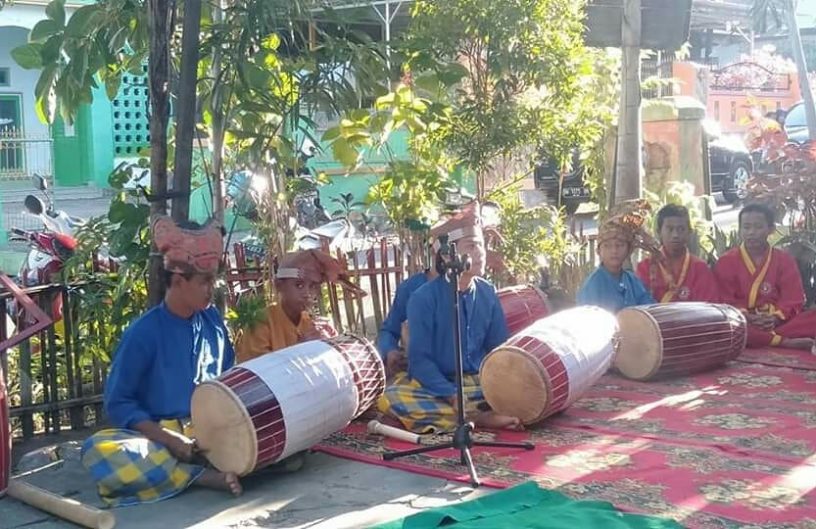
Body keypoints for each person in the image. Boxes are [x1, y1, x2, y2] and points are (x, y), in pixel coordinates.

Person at [80, 216, 242, 506]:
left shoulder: (213, 322)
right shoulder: (142, 333)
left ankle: (196, 470)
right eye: (205, 281)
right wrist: (169, 439)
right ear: (178, 280)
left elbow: (230, 380)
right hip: (159, 441)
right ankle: (197, 476)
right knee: (97, 450)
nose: (211, 288)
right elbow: (119, 403)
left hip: (212, 434)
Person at [377, 201, 522, 434]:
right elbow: (420, 361)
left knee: (523, 388)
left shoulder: (487, 292)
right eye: (472, 246)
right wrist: (451, 395)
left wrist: (505, 382)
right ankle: (478, 418)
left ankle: (468, 416)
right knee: (392, 397)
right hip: (436, 384)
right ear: (446, 256)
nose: (480, 253)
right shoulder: (421, 297)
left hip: (478, 382)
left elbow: (498, 347)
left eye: (481, 246)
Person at [714, 203, 816, 350]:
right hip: (742, 321)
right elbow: (724, 301)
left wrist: (775, 317)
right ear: (739, 230)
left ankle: (764, 338)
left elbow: (793, 298)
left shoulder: (784, 260)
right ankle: (783, 341)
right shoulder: (726, 261)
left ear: (771, 229)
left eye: (758, 227)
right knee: (725, 326)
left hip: (777, 322)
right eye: (746, 227)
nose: (751, 232)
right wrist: (747, 317)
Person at [235, 249, 364, 363]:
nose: (307, 294)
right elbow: (257, 374)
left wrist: (329, 344)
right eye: (299, 285)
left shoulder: (312, 324)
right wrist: (301, 349)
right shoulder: (261, 322)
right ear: (279, 286)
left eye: (313, 287)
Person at [577, 201, 657, 312]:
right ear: (598, 251)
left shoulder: (633, 281)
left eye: (619, 245)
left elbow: (649, 309)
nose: (614, 251)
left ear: (628, 250)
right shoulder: (592, 286)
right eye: (607, 246)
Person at [636, 204, 720, 303]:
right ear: (659, 232)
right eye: (670, 229)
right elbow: (641, 307)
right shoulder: (645, 267)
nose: (675, 235)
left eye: (681, 229)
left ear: (689, 232)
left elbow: (709, 307)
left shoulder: (700, 268)